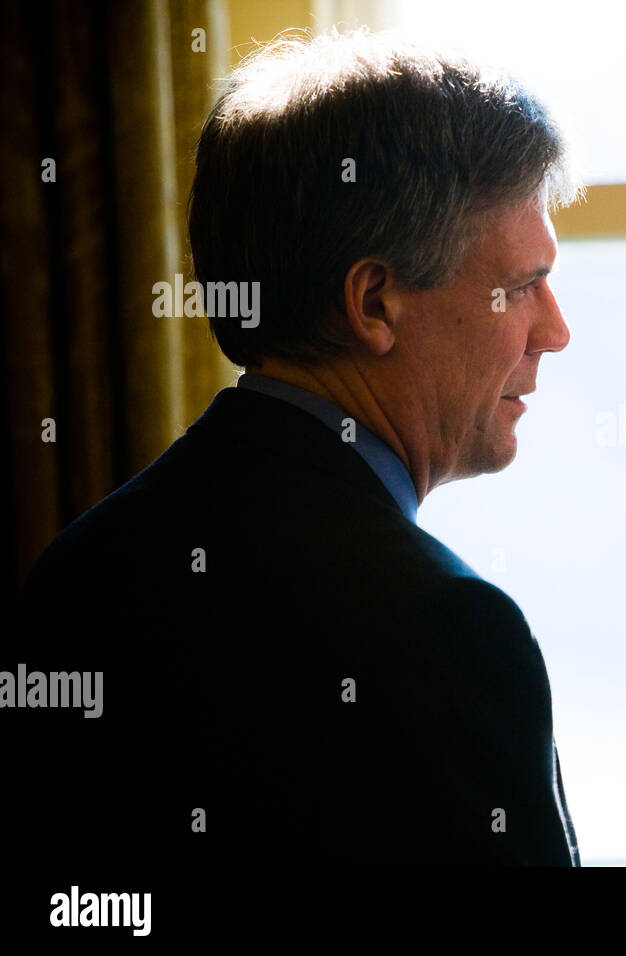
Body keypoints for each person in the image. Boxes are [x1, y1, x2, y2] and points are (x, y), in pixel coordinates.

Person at [12, 31, 581, 866]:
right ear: (375, 302)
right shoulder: (445, 632)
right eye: (523, 285)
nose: (556, 332)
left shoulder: (75, 568)